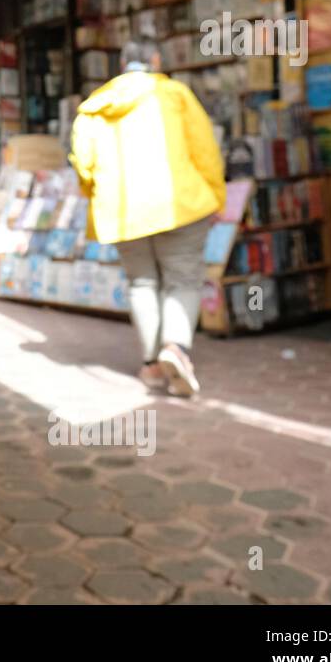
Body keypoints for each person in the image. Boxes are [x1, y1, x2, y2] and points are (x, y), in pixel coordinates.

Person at [69, 38, 226, 397]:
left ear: (122, 64)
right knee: (183, 279)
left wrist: (97, 191)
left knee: (142, 283)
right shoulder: (174, 94)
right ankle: (176, 348)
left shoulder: (94, 107)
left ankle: (151, 364)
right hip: (179, 204)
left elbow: (84, 164)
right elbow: (205, 150)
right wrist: (216, 196)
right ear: (155, 59)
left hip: (122, 211)